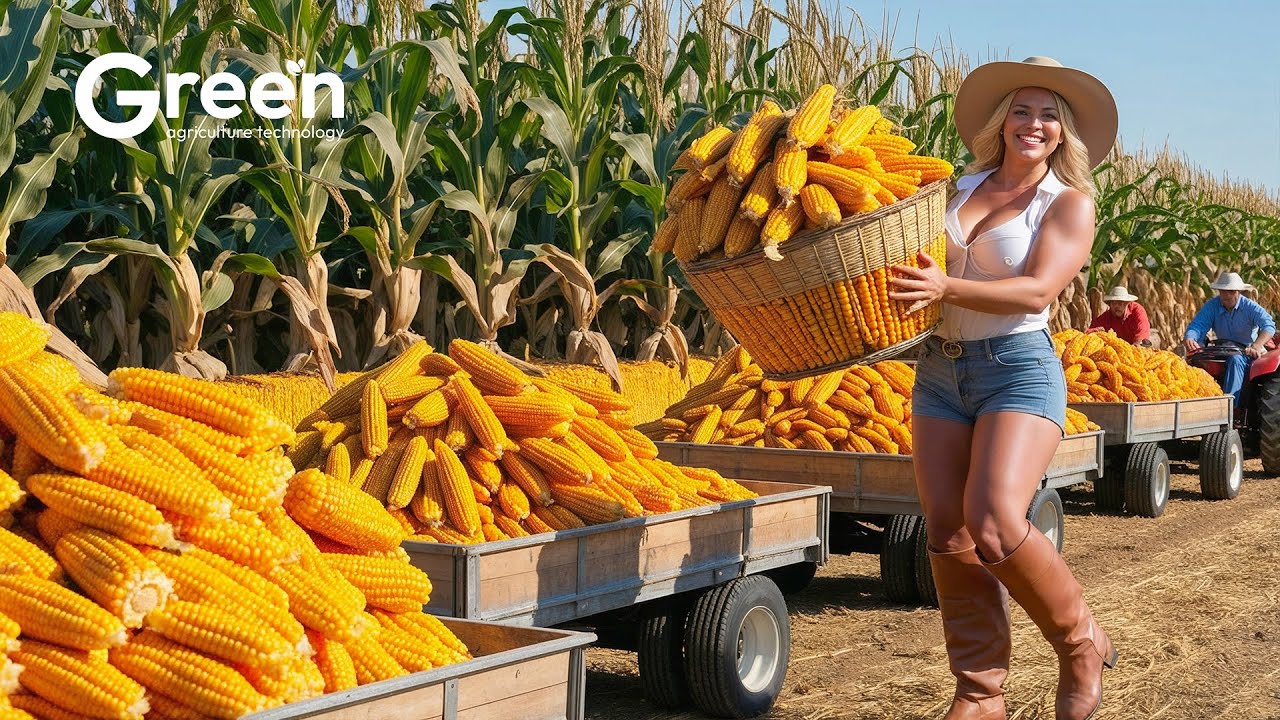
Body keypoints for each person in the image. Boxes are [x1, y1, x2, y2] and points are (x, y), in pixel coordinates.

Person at [888, 56, 1119, 720]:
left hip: (1017, 366)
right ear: (1001, 120)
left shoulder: (1068, 203)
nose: (1034, 124)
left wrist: (947, 287)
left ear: (1064, 133)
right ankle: (980, 693)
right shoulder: (956, 188)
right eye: (1023, 110)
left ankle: (1079, 643)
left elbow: (1040, 289)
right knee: (947, 532)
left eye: (1050, 115)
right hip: (939, 371)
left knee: (994, 523)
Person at [1184, 271, 1275, 406]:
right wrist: (1190, 338)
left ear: (1238, 292)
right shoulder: (1212, 306)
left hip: (1245, 352)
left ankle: (1229, 409)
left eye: (1231, 291)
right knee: (1196, 361)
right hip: (1220, 350)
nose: (1226, 295)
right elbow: (1197, 326)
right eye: (1223, 291)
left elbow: (1269, 326)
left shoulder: (1250, 307)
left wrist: (1256, 346)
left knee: (1235, 360)